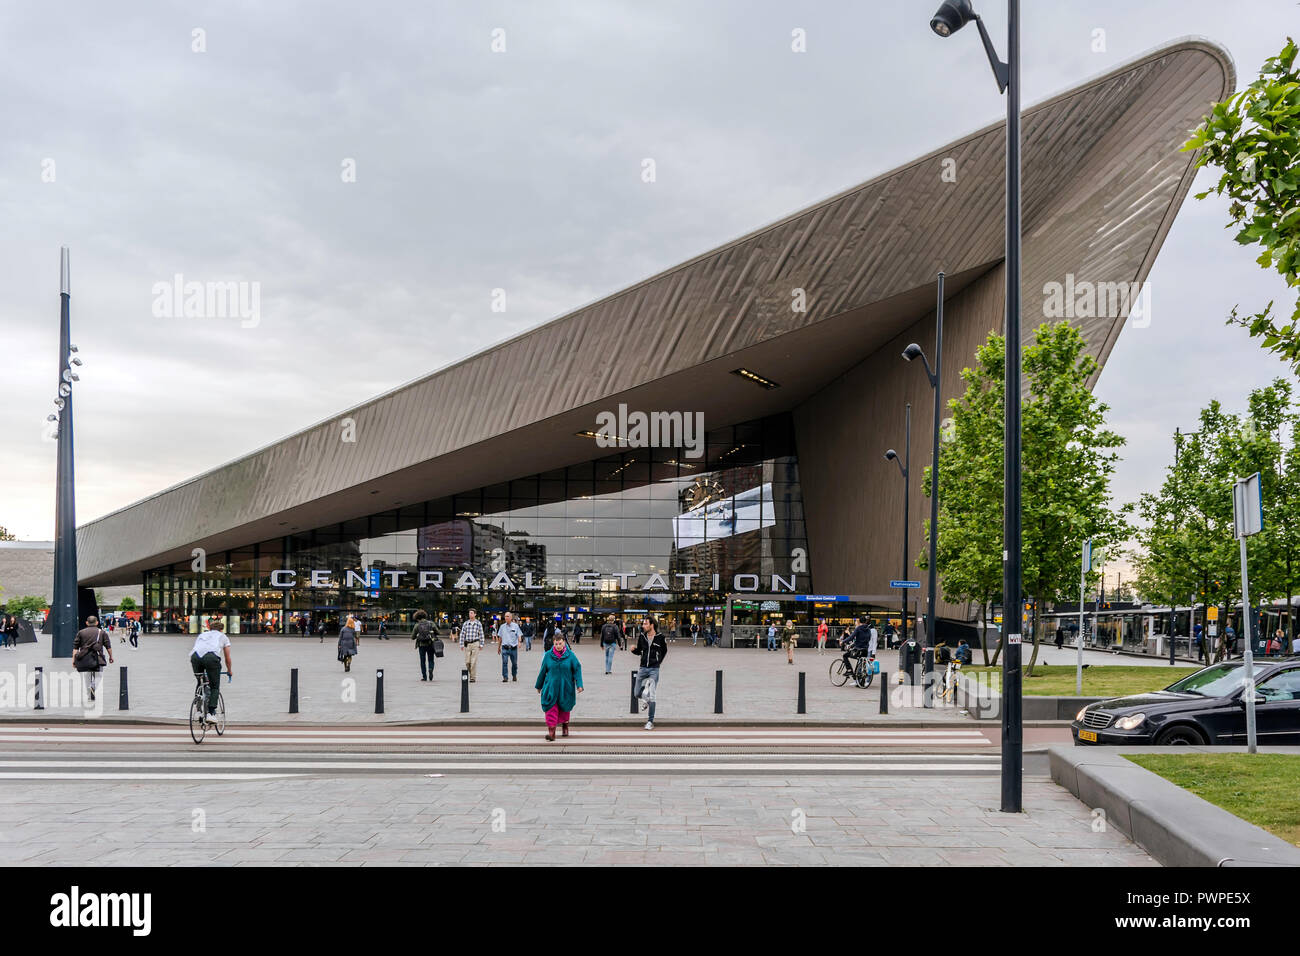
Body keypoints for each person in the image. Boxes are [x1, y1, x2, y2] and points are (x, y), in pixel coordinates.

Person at [535, 632, 584, 741]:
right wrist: (539, 685)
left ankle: (565, 726)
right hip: (551, 687)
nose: (558, 646)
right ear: (553, 643)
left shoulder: (571, 655)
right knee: (550, 708)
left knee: (564, 708)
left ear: (564, 642)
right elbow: (543, 671)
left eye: (560, 643)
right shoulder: (548, 655)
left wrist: (579, 685)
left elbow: (577, 669)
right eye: (556, 644)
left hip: (566, 687)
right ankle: (551, 732)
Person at [631, 616, 668, 730]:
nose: (643, 625)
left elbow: (664, 651)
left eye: (645, 623)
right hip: (642, 668)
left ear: (652, 625)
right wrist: (634, 650)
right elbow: (640, 651)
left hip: (654, 670)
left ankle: (650, 721)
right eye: (643, 624)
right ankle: (645, 699)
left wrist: (658, 662)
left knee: (652, 696)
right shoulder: (642, 636)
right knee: (636, 693)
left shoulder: (660, 637)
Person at [189, 618, 231, 719]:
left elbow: (197, 647)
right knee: (214, 686)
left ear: (210, 628)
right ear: (221, 630)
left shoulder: (202, 635)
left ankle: (198, 709)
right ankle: (211, 713)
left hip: (195, 657)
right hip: (211, 657)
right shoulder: (223, 637)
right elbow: (227, 657)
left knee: (200, 681)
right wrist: (229, 670)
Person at [73, 615, 113, 702]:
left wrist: (74, 660)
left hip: (84, 658)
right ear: (97, 622)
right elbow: (108, 646)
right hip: (98, 658)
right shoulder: (102, 632)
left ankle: (89, 694)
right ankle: (93, 687)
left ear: (87, 623)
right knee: (99, 675)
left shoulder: (81, 632)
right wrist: (111, 657)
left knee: (87, 676)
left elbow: (75, 647)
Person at [460, 608, 485, 681]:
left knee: (473, 662)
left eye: (471, 613)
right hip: (467, 644)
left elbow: (481, 634)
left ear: (475, 614)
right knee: (467, 662)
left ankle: (472, 678)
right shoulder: (466, 623)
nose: (470, 614)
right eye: (469, 613)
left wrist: (481, 644)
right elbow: (462, 634)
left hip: (475, 644)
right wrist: (461, 644)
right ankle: (471, 674)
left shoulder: (478, 623)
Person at [496, 611, 522, 682]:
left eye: (507, 616)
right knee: (504, 662)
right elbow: (500, 638)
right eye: (505, 616)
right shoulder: (502, 627)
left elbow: (519, 635)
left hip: (513, 648)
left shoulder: (515, 626)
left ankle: (514, 675)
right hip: (505, 648)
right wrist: (498, 647)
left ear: (511, 617)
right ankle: (505, 677)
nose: (506, 618)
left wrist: (519, 642)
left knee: (514, 663)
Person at [412, 610, 437, 680]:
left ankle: (424, 677)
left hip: (421, 645)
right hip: (430, 644)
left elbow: (412, 637)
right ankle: (430, 668)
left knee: (422, 661)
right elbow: (438, 632)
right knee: (431, 659)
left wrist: (417, 635)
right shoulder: (431, 623)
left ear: (417, 617)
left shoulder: (417, 625)